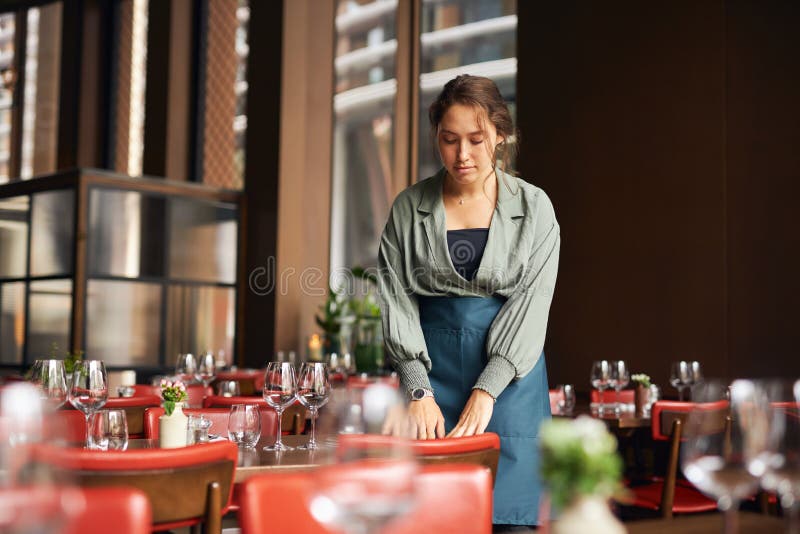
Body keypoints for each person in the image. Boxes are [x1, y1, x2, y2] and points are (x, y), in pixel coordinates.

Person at [377, 74, 560, 528]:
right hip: (430, 381)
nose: (463, 155)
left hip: (511, 385)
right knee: (434, 518)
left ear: (501, 135)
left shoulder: (535, 209)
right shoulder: (408, 208)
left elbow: (531, 304)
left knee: (514, 520)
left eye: (477, 140)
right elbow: (396, 299)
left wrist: (487, 389)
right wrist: (418, 389)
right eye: (450, 140)